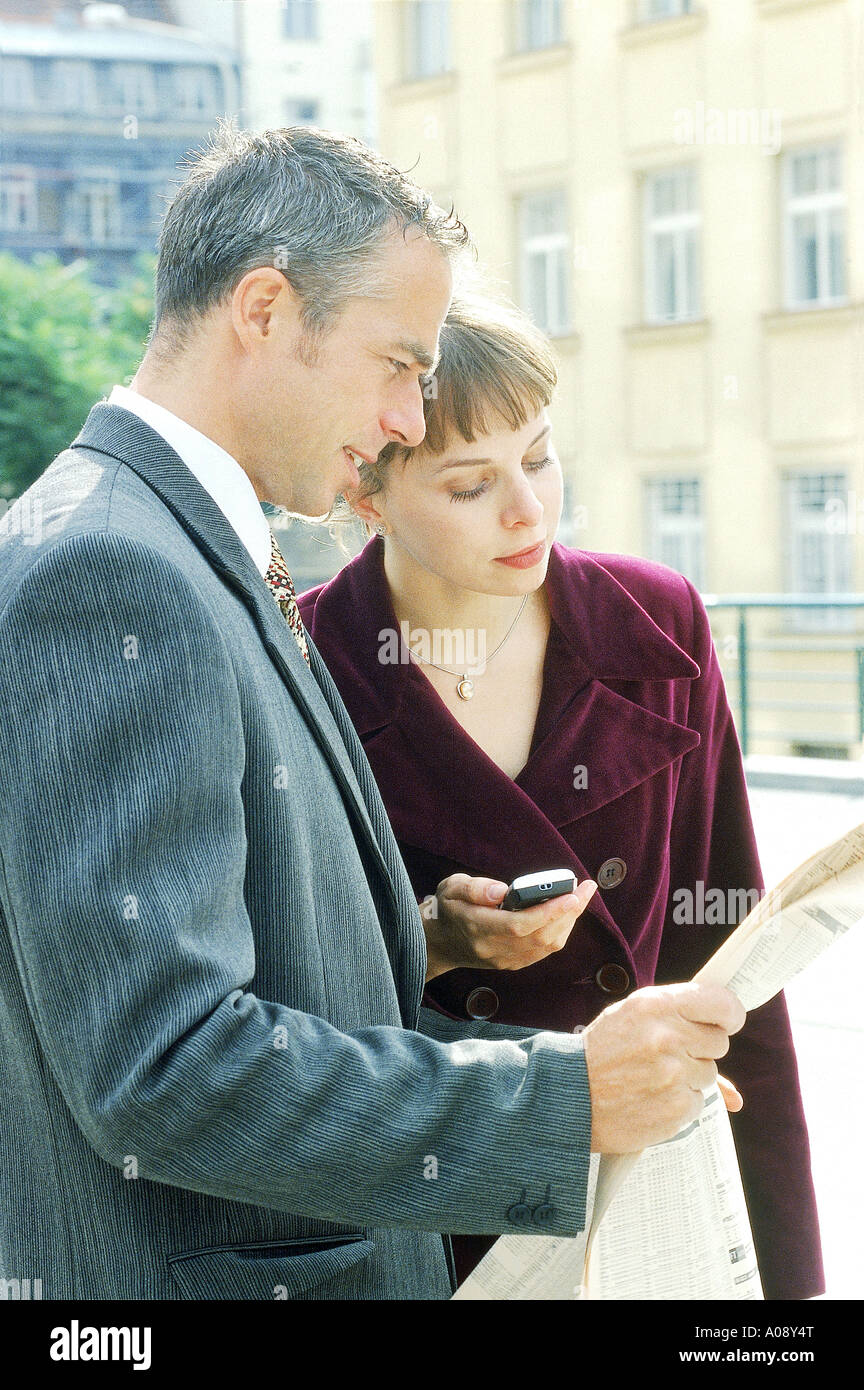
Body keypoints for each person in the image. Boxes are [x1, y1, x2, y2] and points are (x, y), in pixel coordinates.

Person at [0, 125, 745, 1302]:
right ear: (263, 307)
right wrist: (564, 1099)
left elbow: (233, 975)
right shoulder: (111, 569)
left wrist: (430, 938)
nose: (410, 415)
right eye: (399, 362)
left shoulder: (177, 541)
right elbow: (163, 1063)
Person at [297, 290, 825, 1301]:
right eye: (470, 483)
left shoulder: (656, 621)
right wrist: (434, 938)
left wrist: (787, 1298)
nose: (528, 509)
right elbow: (293, 1012)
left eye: (539, 456)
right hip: (439, 1222)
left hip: (662, 1201)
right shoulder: (309, 666)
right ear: (366, 492)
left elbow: (736, 976)